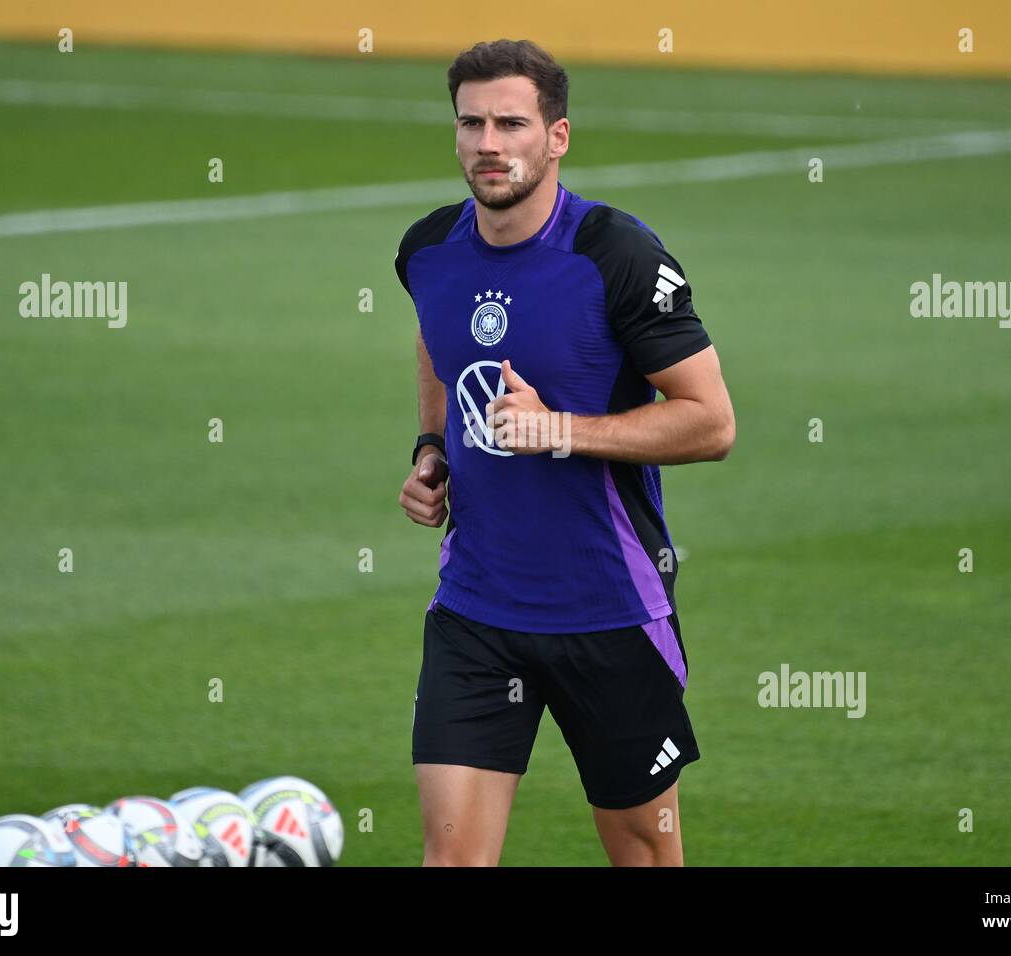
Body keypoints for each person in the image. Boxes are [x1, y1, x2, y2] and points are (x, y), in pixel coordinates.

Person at [395, 38, 735, 866]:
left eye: (511, 122)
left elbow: (711, 422)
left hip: (609, 609)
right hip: (476, 611)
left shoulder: (616, 254)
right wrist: (433, 447)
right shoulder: (428, 251)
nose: (488, 143)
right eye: (471, 123)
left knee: (643, 853)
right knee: (452, 860)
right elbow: (437, 347)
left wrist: (562, 429)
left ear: (558, 136)